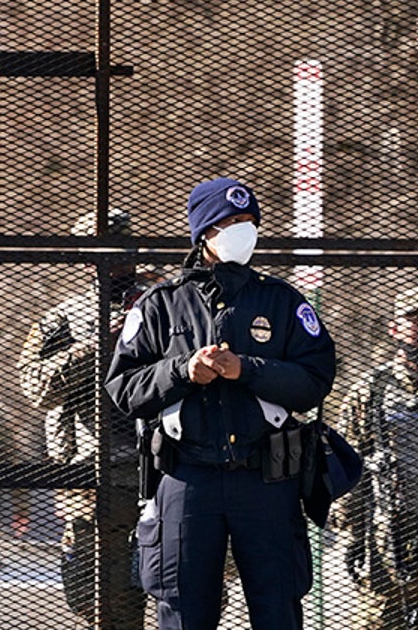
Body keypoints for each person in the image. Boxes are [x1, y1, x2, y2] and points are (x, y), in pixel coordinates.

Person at [105, 177, 337, 630]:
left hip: (267, 479)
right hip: (186, 477)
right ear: (204, 233)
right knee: (183, 609)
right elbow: (124, 388)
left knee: (278, 606)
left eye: (249, 221)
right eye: (230, 222)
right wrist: (180, 371)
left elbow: (316, 378)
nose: (242, 231)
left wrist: (246, 369)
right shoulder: (160, 304)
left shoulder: (283, 301)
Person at [18, 209, 157, 629]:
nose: (116, 261)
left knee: (186, 592)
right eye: (102, 252)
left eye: (122, 250)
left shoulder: (167, 302)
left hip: (167, 467)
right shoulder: (64, 318)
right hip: (96, 475)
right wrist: (98, 344)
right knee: (101, 600)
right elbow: (36, 388)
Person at [333, 285, 418, 629]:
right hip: (387, 537)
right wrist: (352, 535)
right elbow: (344, 463)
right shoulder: (371, 388)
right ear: (395, 329)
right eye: (413, 320)